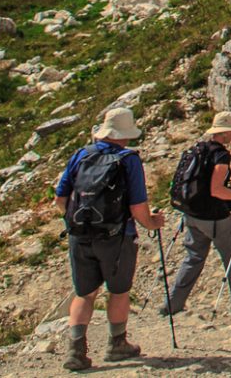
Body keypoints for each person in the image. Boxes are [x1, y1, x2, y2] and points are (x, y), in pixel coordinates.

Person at [54, 107, 165, 371]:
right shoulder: (128, 160)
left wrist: (80, 223)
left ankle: (76, 351)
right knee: (118, 291)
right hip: (118, 237)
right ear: (125, 134)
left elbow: (60, 200)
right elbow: (138, 207)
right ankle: (117, 344)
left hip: (80, 236)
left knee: (84, 293)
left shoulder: (80, 155)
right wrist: (152, 222)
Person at [161, 111, 231, 318]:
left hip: (191, 214)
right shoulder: (221, 155)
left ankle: (172, 304)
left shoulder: (197, 149)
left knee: (193, 258)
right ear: (225, 132)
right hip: (214, 217)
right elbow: (216, 190)